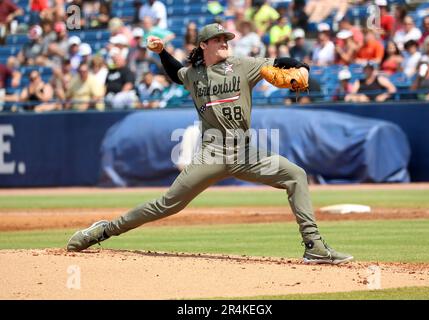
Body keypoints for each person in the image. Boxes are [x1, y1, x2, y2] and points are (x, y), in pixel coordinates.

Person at [67, 23, 354, 265]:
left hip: (245, 152)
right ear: (204, 44)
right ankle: (104, 230)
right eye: (218, 39)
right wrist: (162, 52)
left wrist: (300, 67)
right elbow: (176, 73)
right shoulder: (194, 74)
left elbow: (278, 65)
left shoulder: (243, 65)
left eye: (226, 39)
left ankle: (314, 247)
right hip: (211, 153)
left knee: (296, 175)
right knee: (167, 205)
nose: (225, 42)